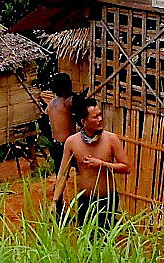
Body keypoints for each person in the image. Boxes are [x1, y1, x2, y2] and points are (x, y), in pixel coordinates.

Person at [51, 97, 128, 225]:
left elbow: (126, 167)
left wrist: (102, 164)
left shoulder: (111, 139)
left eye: (100, 115)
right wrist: (55, 201)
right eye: (95, 117)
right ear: (84, 121)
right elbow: (63, 174)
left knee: (105, 234)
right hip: (85, 200)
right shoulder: (72, 142)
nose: (100, 119)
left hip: (107, 200)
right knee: (86, 235)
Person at [42, 73, 76, 176]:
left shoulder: (52, 103)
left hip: (56, 145)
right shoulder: (68, 102)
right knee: (82, 170)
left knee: (60, 175)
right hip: (69, 145)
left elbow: (45, 115)